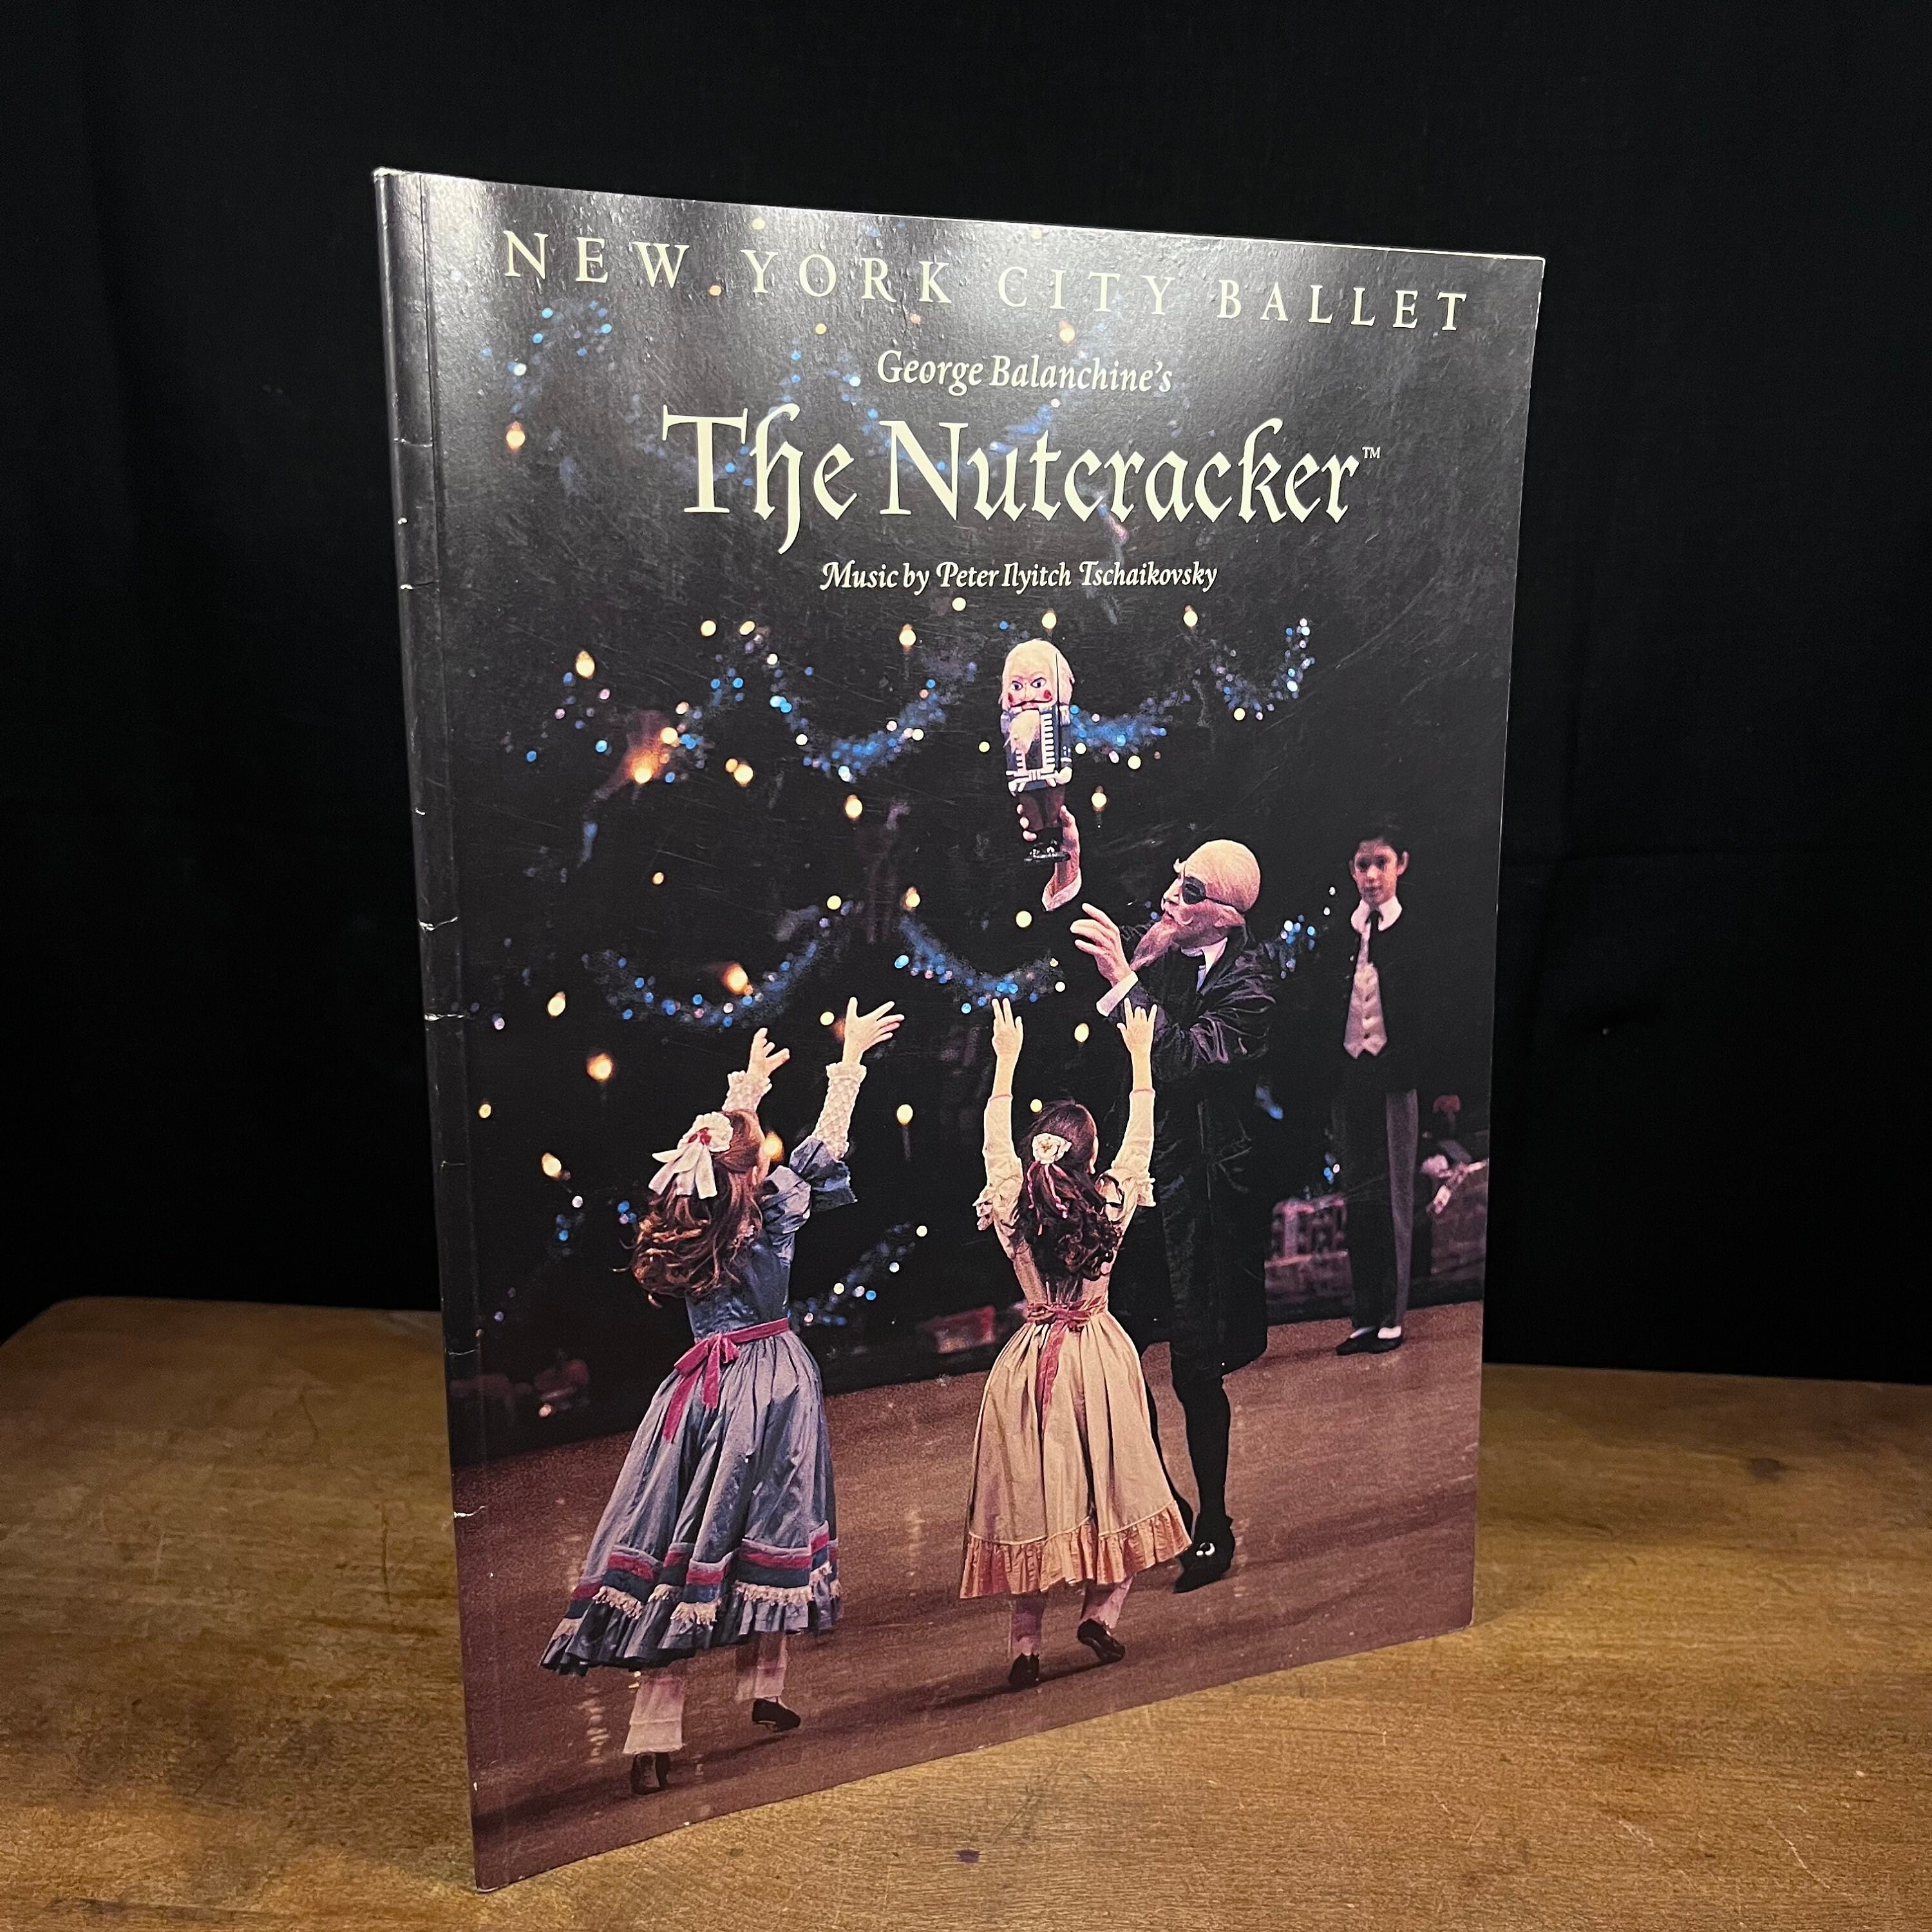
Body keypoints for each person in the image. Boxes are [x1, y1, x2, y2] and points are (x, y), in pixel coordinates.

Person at [540, 1003, 902, 1794]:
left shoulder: (698, 1212)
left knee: (692, 1537)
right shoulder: (768, 1216)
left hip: (697, 1389)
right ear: (752, 1169)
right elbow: (824, 1146)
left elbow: (728, 1157)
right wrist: (848, 1063)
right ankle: (756, 1687)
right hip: (770, 1383)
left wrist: (746, 1093)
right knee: (765, 1525)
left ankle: (668, 1728)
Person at [1067, 834, 1276, 1591]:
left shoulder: (1253, 981)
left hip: (1200, 1205)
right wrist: (1066, 866)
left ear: (1223, 916)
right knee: (1117, 1364)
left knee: (1196, 1369)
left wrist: (1127, 981)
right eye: (1176, 880)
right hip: (1135, 1193)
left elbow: (1186, 1059)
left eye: (1189, 891)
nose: (1169, 896)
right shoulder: (1161, 947)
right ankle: (1171, 1508)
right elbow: (1082, 943)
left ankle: (1213, 1521)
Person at [960, 998, 1190, 1686]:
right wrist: (1142, 1061)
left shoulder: (1013, 1202)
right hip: (1097, 1356)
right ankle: (1100, 1613)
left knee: (1033, 1498)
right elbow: (1141, 1142)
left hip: (1030, 1363)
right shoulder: (1110, 1200)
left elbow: (994, 1146)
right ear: (1090, 1157)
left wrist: (1004, 1065)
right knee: (1121, 1488)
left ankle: (1025, 1646)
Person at [1318, 820, 1430, 1355]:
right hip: (1352, 1081)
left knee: (1394, 1198)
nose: (1371, 876)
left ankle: (1393, 1314)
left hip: (1394, 1080)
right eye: (1362, 865)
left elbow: (1429, 1013)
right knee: (1359, 1199)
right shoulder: (1342, 934)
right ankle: (1364, 1315)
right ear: (1351, 870)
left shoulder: (1414, 933)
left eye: (1381, 864)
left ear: (1400, 865)